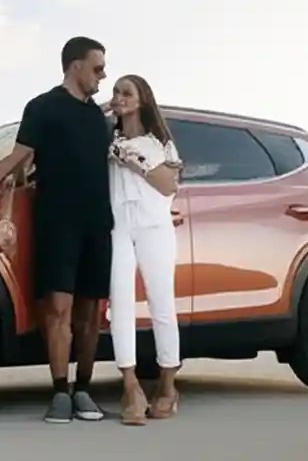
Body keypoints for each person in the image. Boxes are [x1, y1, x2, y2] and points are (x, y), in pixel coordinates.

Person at [14, 35, 113, 424]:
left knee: (90, 312)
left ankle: (84, 390)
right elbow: (18, 161)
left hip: (98, 224)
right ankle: (59, 391)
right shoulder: (41, 108)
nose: (102, 75)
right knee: (57, 309)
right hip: (56, 223)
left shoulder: (100, 119)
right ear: (75, 65)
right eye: (97, 67)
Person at [106, 73, 184, 425]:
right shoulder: (107, 140)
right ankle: (130, 385)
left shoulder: (160, 144)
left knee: (161, 303)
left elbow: (168, 185)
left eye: (126, 92)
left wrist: (130, 159)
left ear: (142, 100)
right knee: (120, 303)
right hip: (119, 228)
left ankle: (168, 385)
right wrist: (107, 121)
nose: (119, 97)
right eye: (115, 92)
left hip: (155, 229)